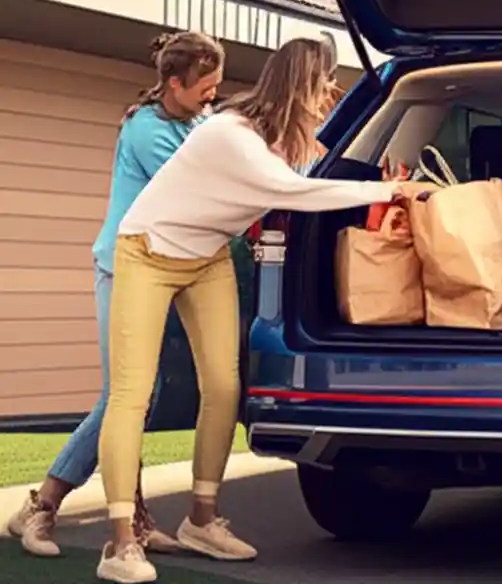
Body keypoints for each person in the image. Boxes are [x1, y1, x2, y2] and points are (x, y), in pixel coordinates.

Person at [92, 37, 413, 584]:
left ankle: (203, 519)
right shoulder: (232, 136)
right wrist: (384, 191)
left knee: (223, 386)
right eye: (321, 86)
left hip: (207, 255)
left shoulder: (275, 140)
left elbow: (320, 169)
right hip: (147, 251)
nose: (327, 97)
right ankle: (121, 543)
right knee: (131, 394)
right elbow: (294, 191)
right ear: (299, 86)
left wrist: (386, 178)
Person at [6, 32, 226, 558]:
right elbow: (198, 190)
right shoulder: (147, 129)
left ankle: (137, 516)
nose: (213, 97)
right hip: (124, 269)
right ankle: (42, 505)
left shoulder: (195, 122)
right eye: (206, 87)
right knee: (125, 397)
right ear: (174, 83)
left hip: (176, 266)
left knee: (140, 398)